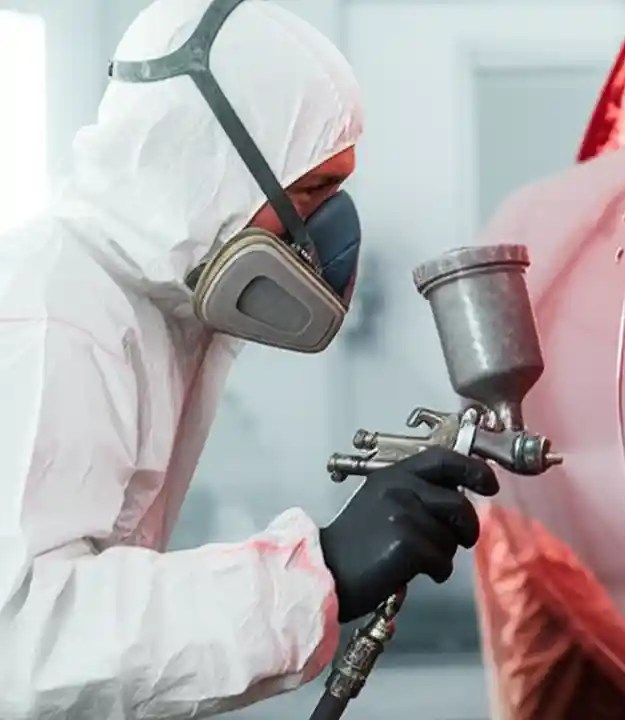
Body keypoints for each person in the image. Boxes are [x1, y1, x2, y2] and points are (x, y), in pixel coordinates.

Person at [0, 0, 497, 717]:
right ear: (209, 173)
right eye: (313, 192)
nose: (324, 233)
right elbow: (25, 643)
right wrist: (314, 571)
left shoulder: (155, 307)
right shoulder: (53, 316)